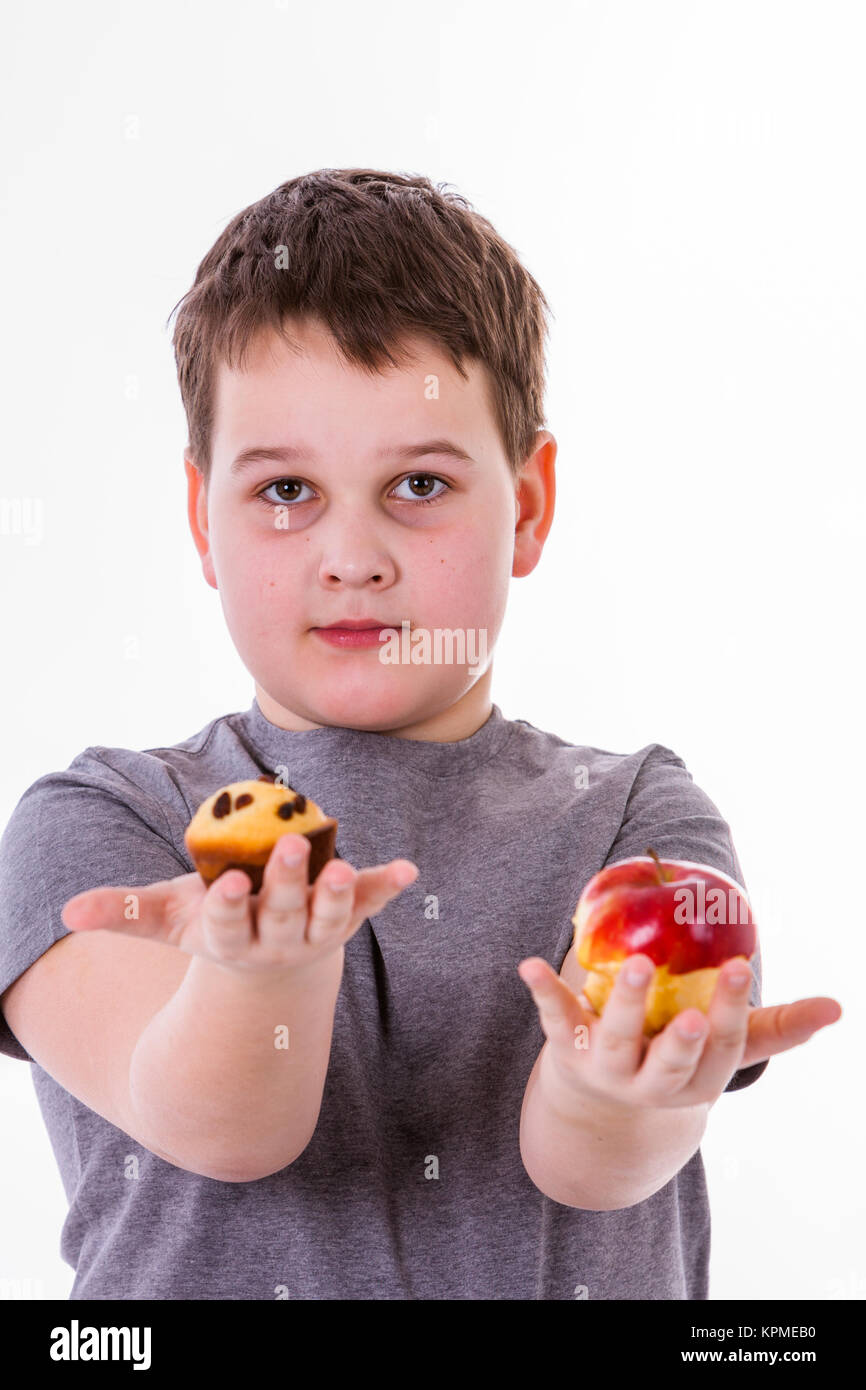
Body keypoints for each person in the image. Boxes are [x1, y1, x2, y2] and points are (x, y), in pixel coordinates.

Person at [0, 169, 841, 1301]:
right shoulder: (106, 824)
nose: (352, 554)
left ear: (528, 508)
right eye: (287, 489)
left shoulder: (636, 817)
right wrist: (263, 976)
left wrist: (608, 1094)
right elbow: (217, 1124)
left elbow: (595, 1168)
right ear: (203, 518)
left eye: (417, 482)